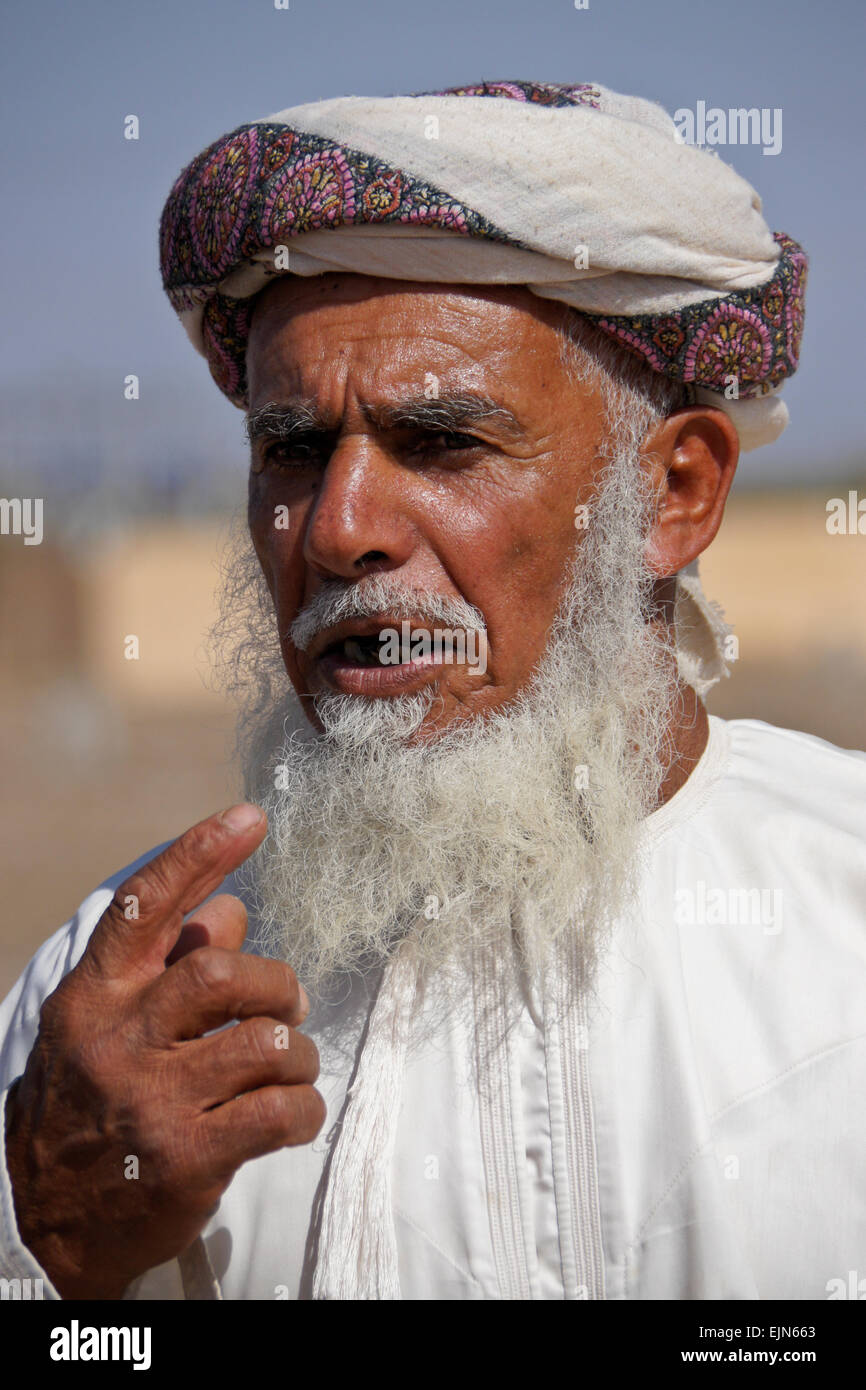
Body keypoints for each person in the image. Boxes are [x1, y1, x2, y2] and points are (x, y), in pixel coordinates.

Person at [2, 80, 864, 1301]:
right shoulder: (116, 1009)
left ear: (672, 495)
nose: (340, 526)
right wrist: (54, 1252)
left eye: (444, 443)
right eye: (291, 449)